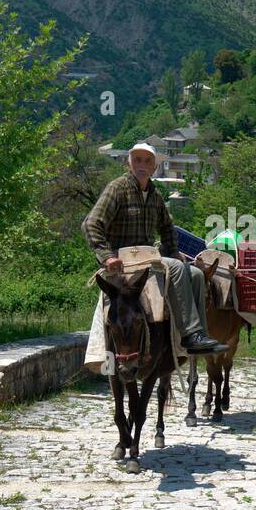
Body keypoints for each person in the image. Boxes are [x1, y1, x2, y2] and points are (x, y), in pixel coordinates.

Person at [82, 142, 227, 355]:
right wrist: (107, 257)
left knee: (195, 274)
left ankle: (198, 336)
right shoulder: (117, 189)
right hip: (123, 262)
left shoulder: (154, 194)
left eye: (148, 161)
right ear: (128, 163)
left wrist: (173, 250)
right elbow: (90, 223)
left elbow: (167, 227)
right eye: (138, 160)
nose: (143, 164)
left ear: (154, 167)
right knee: (177, 268)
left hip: (146, 258)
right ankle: (189, 333)